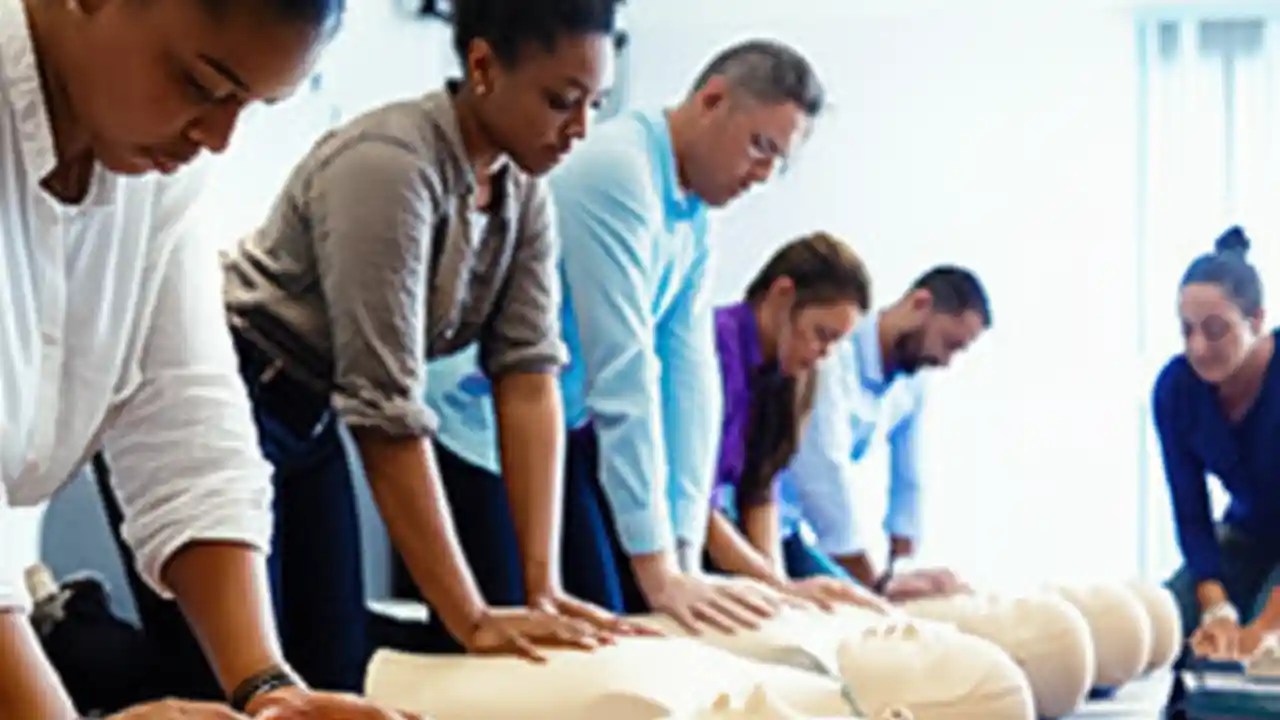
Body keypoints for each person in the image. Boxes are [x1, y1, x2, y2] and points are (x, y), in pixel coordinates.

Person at [0, 0, 410, 717]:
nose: (218, 139)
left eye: (250, 105)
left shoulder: (148, 166)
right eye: (202, 84)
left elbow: (186, 420)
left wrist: (266, 686)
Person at [209, 0, 632, 694]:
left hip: (308, 413)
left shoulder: (522, 193)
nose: (580, 130)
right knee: (233, 677)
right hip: (229, 390)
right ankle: (76, 635)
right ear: (484, 67)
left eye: (595, 104)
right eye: (562, 101)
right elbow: (385, 410)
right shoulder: (389, 166)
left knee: (335, 667)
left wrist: (540, 588)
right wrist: (468, 616)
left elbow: (527, 378)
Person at [424, 39, 828, 632]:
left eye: (778, 162)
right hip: (470, 426)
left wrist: (686, 556)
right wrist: (659, 573)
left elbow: (689, 384)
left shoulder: (693, 219)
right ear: (712, 101)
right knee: (528, 650)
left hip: (546, 433)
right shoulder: (619, 173)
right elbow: (626, 374)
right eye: (760, 147)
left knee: (610, 625)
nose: (762, 174)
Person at [700, 232, 890, 614]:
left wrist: (778, 584)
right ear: (782, 294)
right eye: (822, 335)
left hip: (724, 524)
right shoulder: (711, 348)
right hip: (672, 521)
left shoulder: (793, 375)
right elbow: (691, 501)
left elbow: (761, 487)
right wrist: (774, 586)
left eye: (836, 343)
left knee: (854, 608)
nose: (824, 354)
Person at [779, 266, 991, 601]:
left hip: (789, 529)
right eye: (948, 344)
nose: (945, 361)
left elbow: (909, 478)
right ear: (920, 304)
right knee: (854, 610)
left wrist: (904, 566)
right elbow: (824, 475)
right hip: (756, 517)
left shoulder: (912, 383)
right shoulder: (835, 351)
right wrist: (877, 583)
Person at [1156, 227, 1280, 668]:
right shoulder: (1176, 389)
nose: (1198, 348)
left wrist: (1263, 627)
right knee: (1165, 629)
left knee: (1265, 657)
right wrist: (1215, 607)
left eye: (1215, 330)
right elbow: (1191, 515)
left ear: (1257, 320)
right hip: (1248, 534)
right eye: (1186, 330)